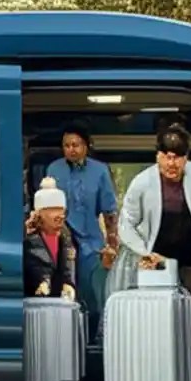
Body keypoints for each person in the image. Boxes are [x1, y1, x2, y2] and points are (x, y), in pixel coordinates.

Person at [110, 121, 191, 297]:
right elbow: (126, 224)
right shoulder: (141, 182)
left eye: (177, 158)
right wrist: (145, 252)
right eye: (167, 156)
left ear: (186, 158)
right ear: (158, 156)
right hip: (157, 261)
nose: (171, 163)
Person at [44, 124, 119, 327]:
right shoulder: (54, 169)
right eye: (66, 145)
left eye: (76, 145)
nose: (71, 149)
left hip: (91, 244)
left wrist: (112, 244)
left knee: (92, 298)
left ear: (86, 146)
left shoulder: (100, 171)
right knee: (62, 295)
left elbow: (109, 211)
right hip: (59, 243)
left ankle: (92, 340)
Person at [24, 177, 78, 300]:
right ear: (39, 213)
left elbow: (69, 264)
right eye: (53, 210)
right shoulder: (28, 238)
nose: (60, 215)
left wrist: (69, 283)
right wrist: (42, 281)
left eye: (61, 210)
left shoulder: (66, 237)